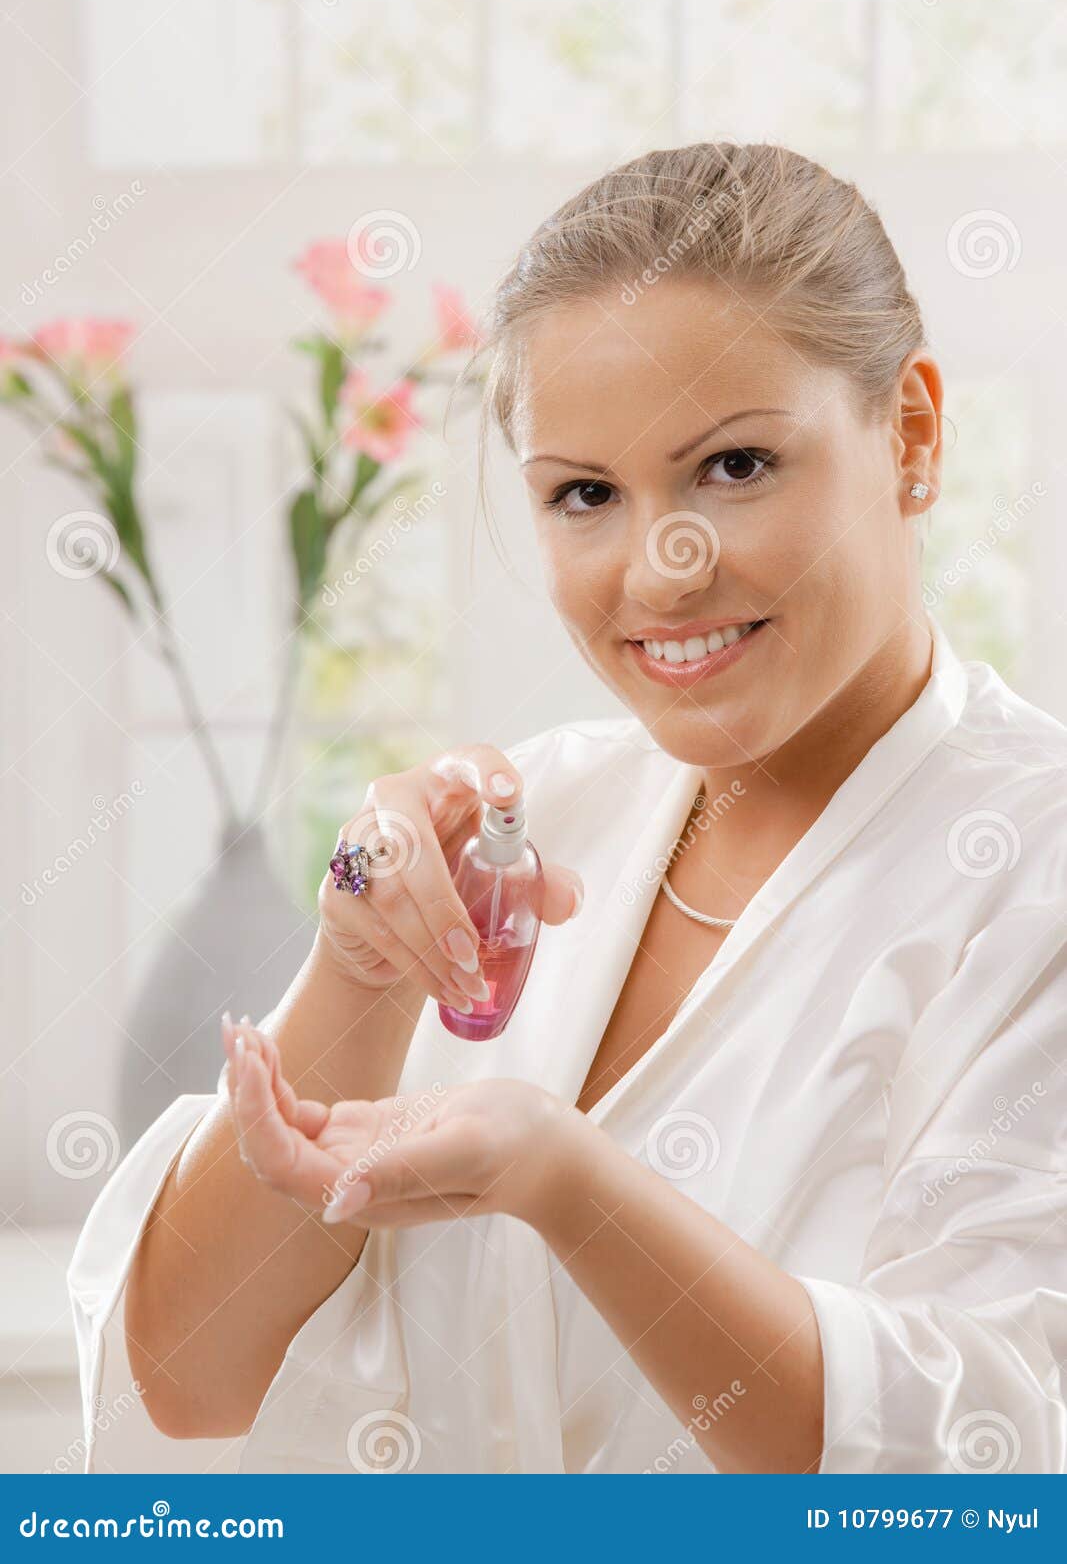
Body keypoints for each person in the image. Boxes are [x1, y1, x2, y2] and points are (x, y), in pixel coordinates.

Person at [69, 142, 1067, 1475]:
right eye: (585, 494)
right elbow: (187, 1382)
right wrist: (360, 975)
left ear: (916, 433)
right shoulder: (520, 834)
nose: (661, 571)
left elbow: (990, 1458)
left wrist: (570, 1181)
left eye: (735, 467)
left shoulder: (1029, 871)